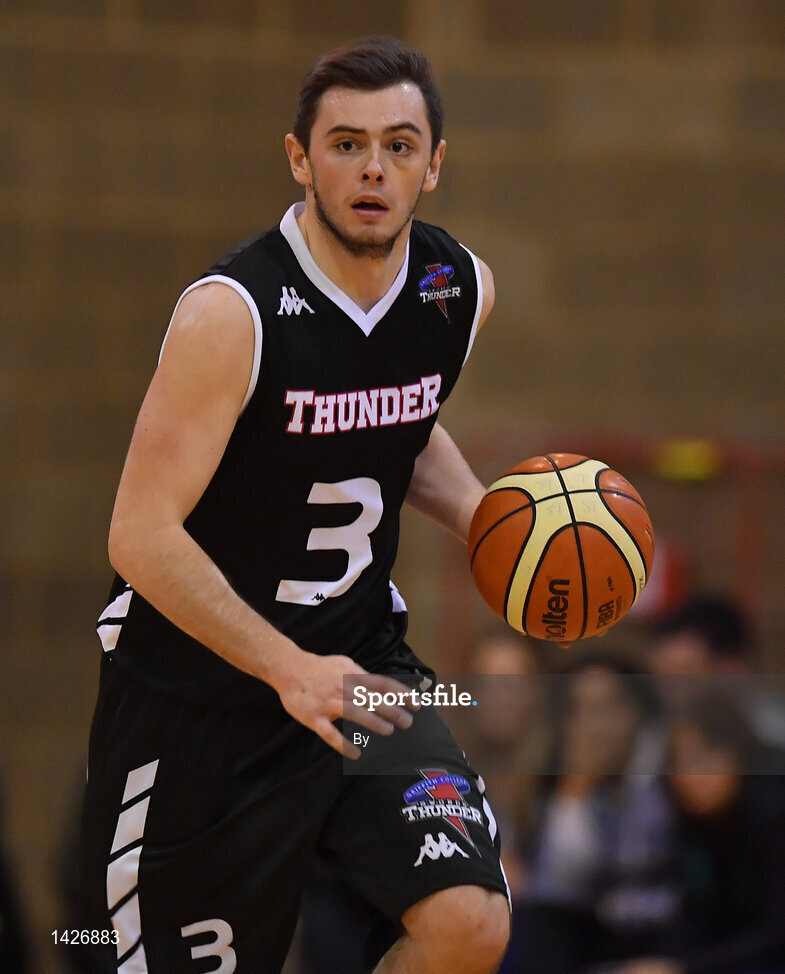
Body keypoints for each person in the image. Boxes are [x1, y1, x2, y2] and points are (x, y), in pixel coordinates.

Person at [79, 36, 510, 974]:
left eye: (399, 145)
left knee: (469, 923)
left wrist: (493, 527)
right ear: (298, 158)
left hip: (364, 676)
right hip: (197, 710)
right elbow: (138, 534)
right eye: (346, 143)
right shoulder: (229, 315)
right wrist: (287, 667)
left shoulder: (454, 289)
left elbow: (397, 426)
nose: (372, 168)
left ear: (433, 165)